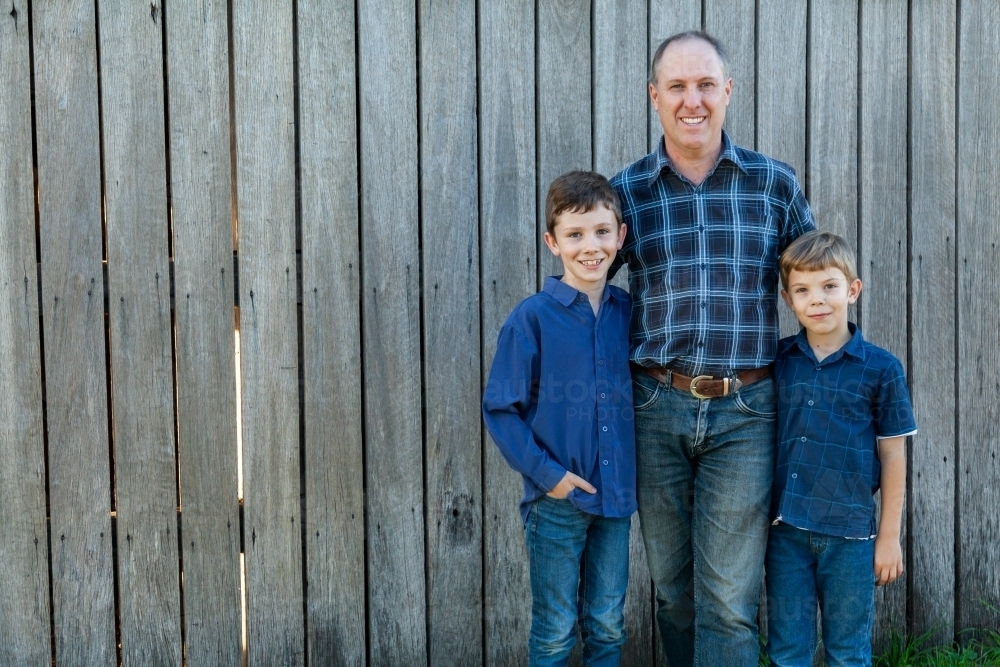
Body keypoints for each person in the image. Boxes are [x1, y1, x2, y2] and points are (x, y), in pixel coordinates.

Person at [609, 31, 815, 665]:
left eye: (705, 85)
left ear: (728, 91)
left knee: (727, 599)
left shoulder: (773, 184)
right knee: (673, 593)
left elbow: (813, 284)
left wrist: (839, 383)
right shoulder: (627, 193)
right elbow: (585, 288)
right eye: (676, 86)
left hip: (745, 412)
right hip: (654, 406)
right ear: (654, 96)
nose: (691, 101)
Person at [482, 171, 637, 666]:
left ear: (620, 236)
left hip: (615, 500)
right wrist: (550, 477)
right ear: (553, 243)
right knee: (554, 630)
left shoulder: (629, 313)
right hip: (557, 502)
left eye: (601, 231)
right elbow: (500, 409)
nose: (590, 246)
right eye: (574, 235)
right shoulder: (532, 318)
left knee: (607, 624)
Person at [766, 231, 916, 666]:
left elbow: (893, 455)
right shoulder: (778, 362)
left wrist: (889, 537)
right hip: (786, 531)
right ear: (787, 299)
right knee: (787, 650)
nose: (817, 299)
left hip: (850, 535)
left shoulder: (882, 369)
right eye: (802, 290)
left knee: (848, 652)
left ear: (852, 290)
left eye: (829, 286)